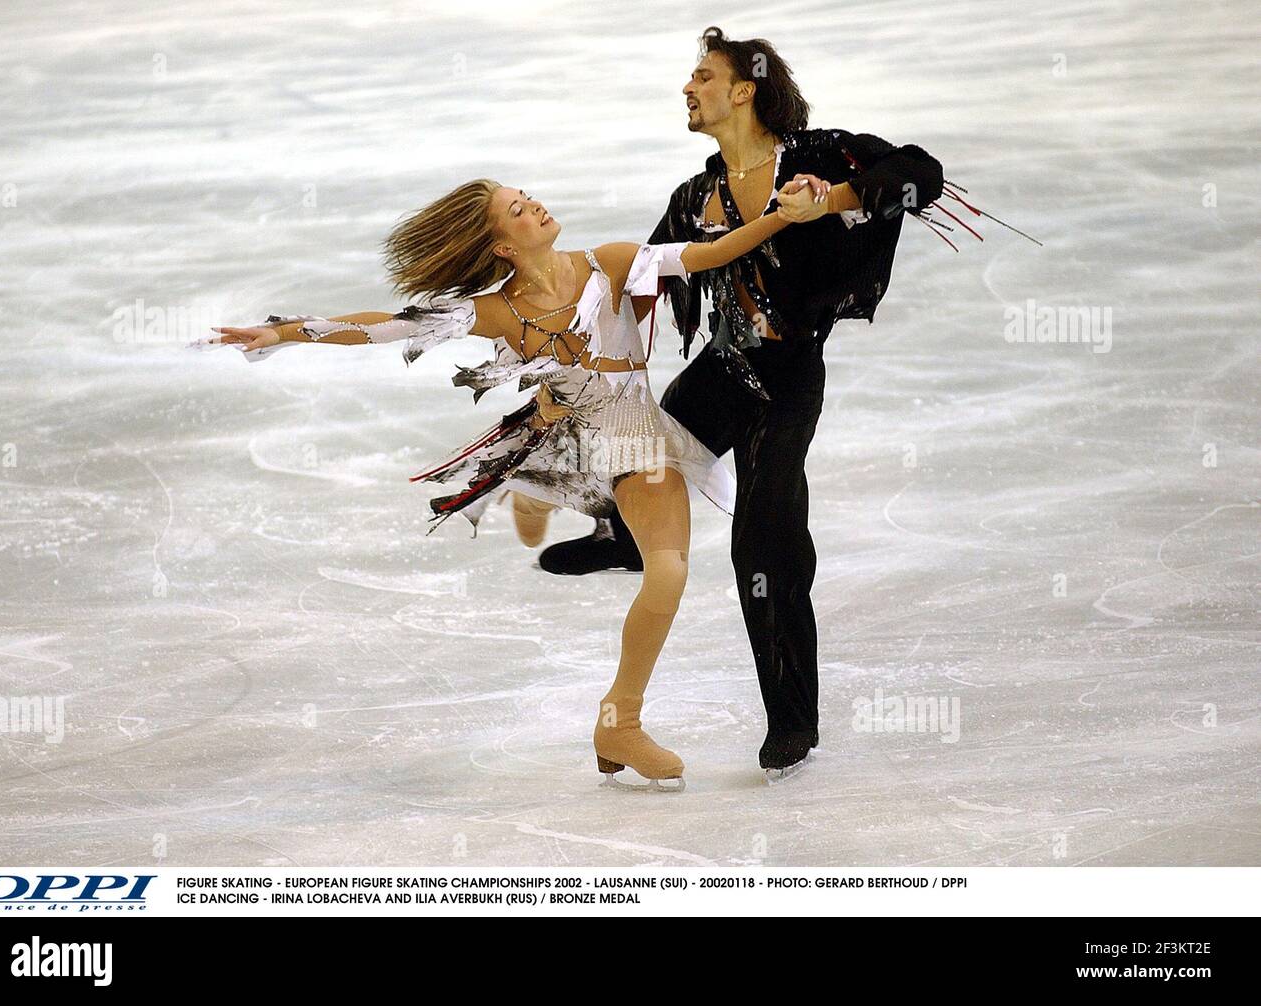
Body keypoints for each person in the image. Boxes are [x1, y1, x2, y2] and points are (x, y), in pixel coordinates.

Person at [204, 178, 811, 789]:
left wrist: (783, 216)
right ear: (501, 247)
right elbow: (387, 325)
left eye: (527, 195)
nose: (536, 204)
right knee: (543, 470)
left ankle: (617, 721)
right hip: (559, 430)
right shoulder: (496, 312)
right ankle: (537, 486)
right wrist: (283, 333)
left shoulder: (614, 263)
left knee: (669, 571)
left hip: (632, 442)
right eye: (518, 210)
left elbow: (715, 253)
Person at [536, 27, 947, 778]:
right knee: (640, 455)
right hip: (723, 370)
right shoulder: (696, 198)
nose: (687, 89)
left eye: (701, 76)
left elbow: (922, 174)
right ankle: (623, 539)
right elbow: (640, 277)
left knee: (764, 544)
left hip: (788, 380)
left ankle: (793, 722)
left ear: (744, 88)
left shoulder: (818, 156)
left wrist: (830, 203)